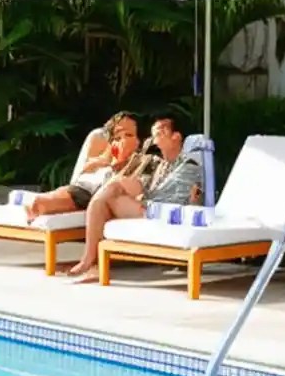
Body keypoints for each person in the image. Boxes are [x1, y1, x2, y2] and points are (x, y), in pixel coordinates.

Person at [68, 114, 204, 282]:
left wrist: (139, 195)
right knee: (109, 193)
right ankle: (90, 261)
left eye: (161, 132)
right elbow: (146, 187)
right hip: (150, 208)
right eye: (155, 132)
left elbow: (171, 200)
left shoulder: (188, 166)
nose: (155, 136)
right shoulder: (162, 165)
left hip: (167, 213)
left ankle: (88, 261)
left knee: (110, 194)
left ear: (176, 137)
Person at [23, 111, 141, 221]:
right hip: (81, 190)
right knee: (39, 202)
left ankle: (33, 210)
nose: (123, 139)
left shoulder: (139, 161)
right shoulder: (106, 152)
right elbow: (84, 172)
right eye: (118, 135)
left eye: (129, 135)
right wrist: (107, 161)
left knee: (40, 203)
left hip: (98, 197)